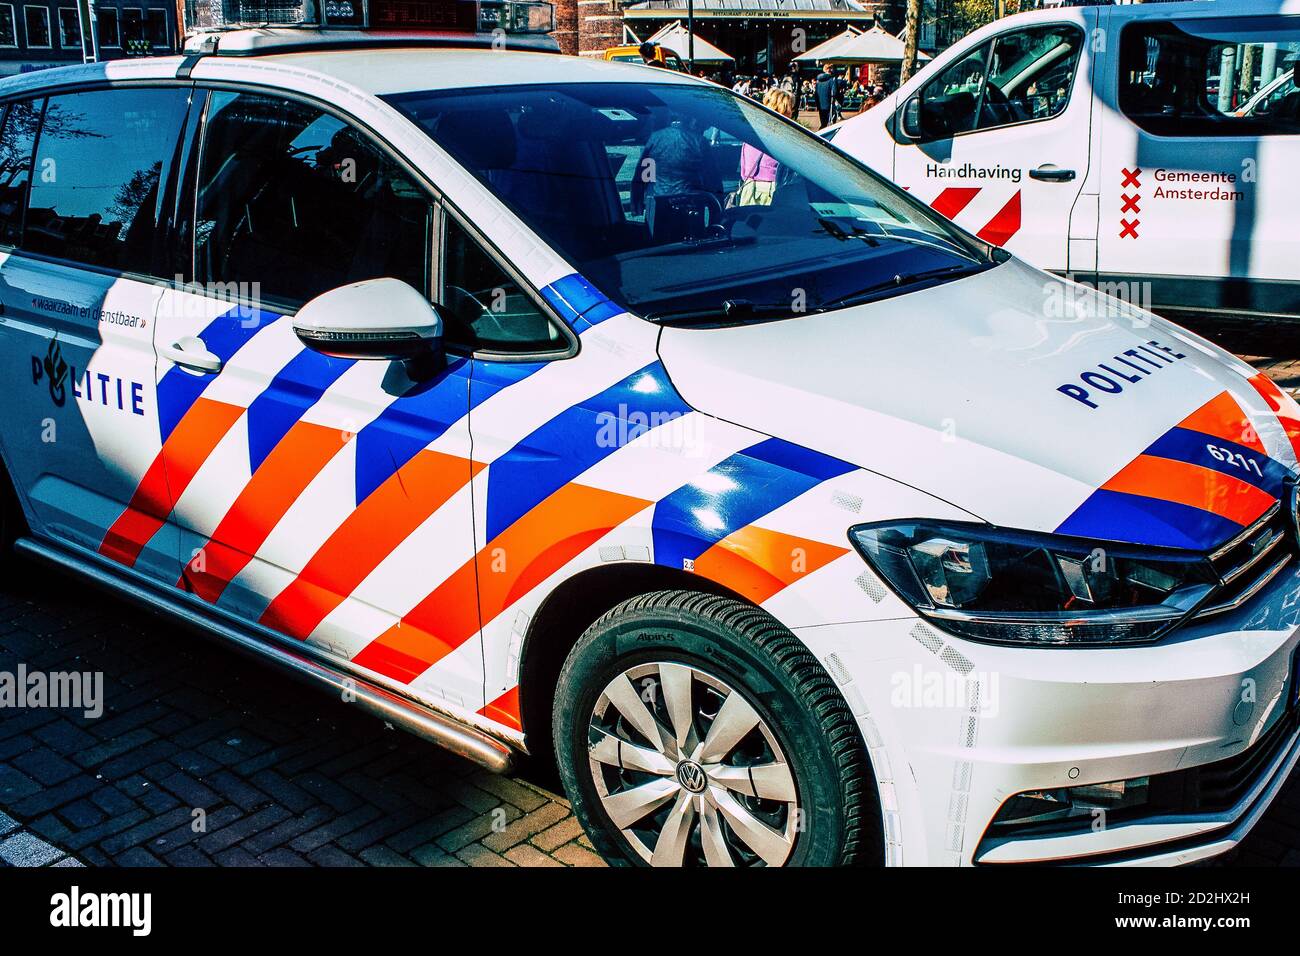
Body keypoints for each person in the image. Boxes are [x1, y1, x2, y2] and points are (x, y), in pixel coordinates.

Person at [736, 88, 797, 206]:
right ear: (784, 108)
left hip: (748, 186)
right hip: (770, 189)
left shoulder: (753, 130)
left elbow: (743, 166)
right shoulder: (782, 134)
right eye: (791, 107)